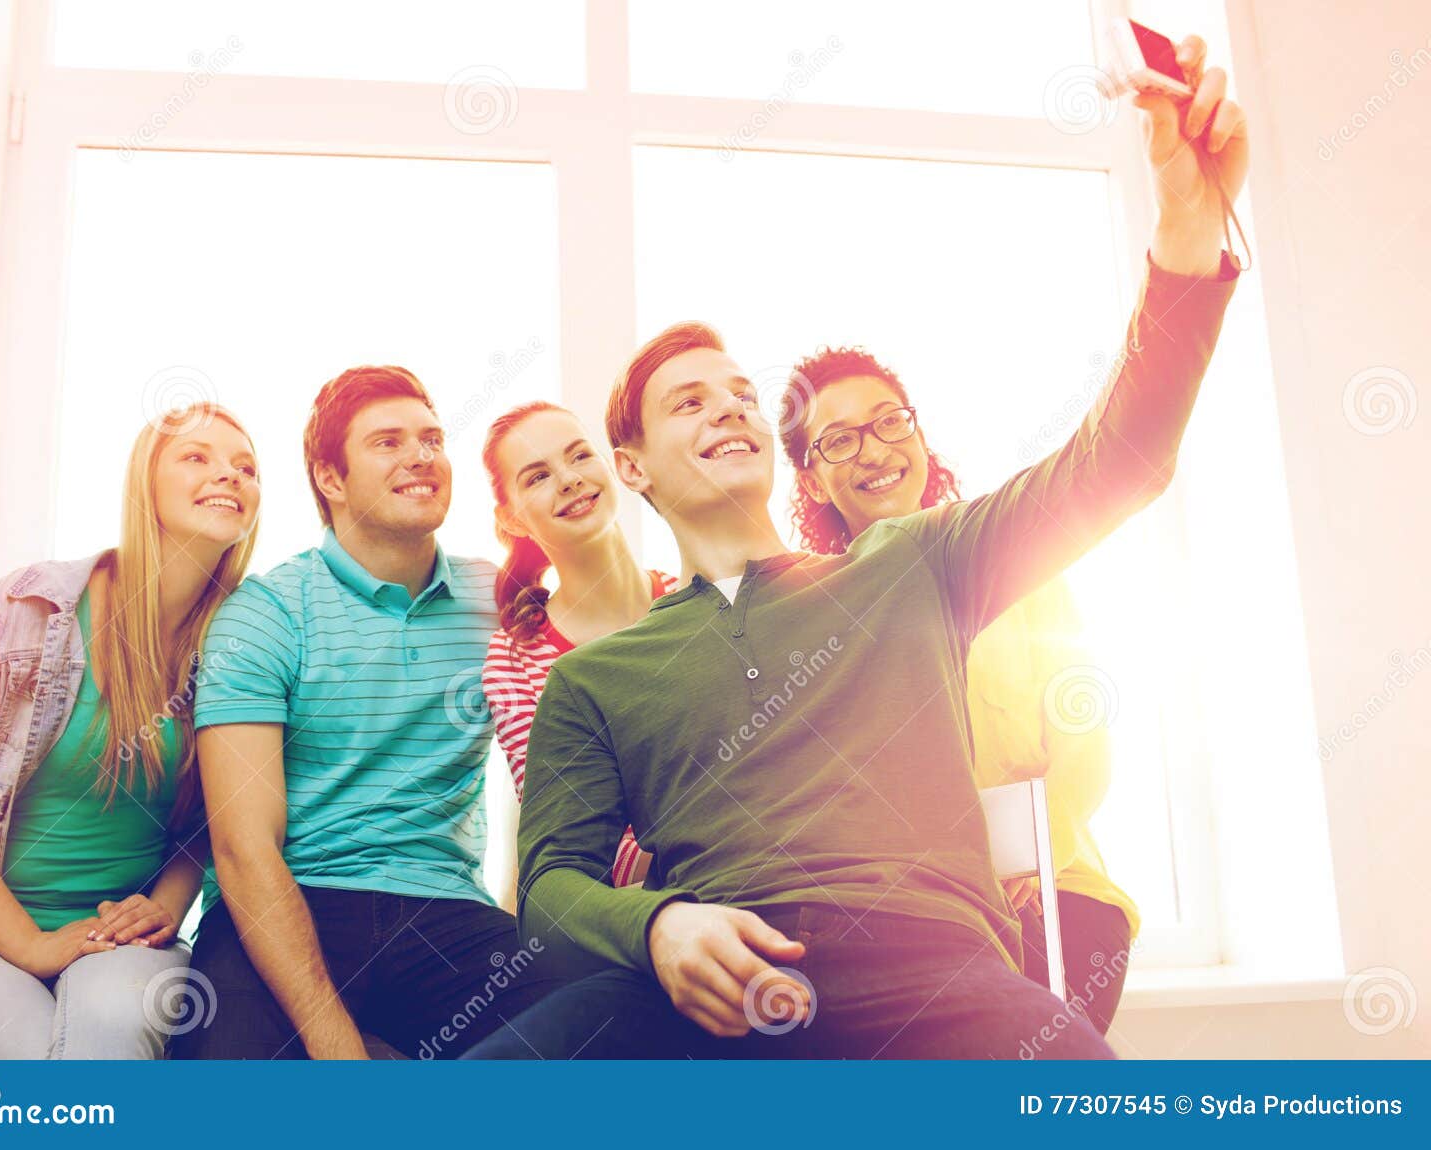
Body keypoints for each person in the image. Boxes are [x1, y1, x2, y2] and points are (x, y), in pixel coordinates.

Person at [467, 34, 1245, 1059]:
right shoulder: (599, 680)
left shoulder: (914, 563)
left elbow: (1120, 458)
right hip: (709, 985)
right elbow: (554, 894)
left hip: (941, 982)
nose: (730, 411)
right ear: (634, 466)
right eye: (688, 402)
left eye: (743, 394)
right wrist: (657, 925)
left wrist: (1187, 223)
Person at [172, 366, 566, 1061]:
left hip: (446, 914)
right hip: (290, 901)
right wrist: (338, 1052)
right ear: (330, 478)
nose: (421, 457)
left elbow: (587, 653)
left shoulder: (499, 601)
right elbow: (242, 849)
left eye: (432, 438)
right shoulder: (266, 612)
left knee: (601, 1035)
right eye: (388, 441)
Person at [0, 403, 260, 1058]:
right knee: (37, 1068)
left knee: (107, 1039)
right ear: (146, 483)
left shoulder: (244, 646)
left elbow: (219, 820)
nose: (229, 474)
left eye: (246, 466)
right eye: (197, 456)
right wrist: (31, 944)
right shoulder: (25, 612)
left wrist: (167, 904)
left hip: (119, 940)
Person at [778, 346, 1140, 1033]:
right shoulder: (808, 621)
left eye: (890, 422)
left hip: (1053, 897)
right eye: (840, 439)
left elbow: (1085, 748)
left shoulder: (1023, 562)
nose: (875, 450)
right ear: (815, 481)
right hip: (910, 922)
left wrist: (1033, 858)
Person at [479, 400, 676, 901]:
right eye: (537, 476)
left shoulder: (692, 601)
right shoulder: (513, 661)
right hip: (640, 909)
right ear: (512, 518)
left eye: (579, 456)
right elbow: (572, 831)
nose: (568, 479)